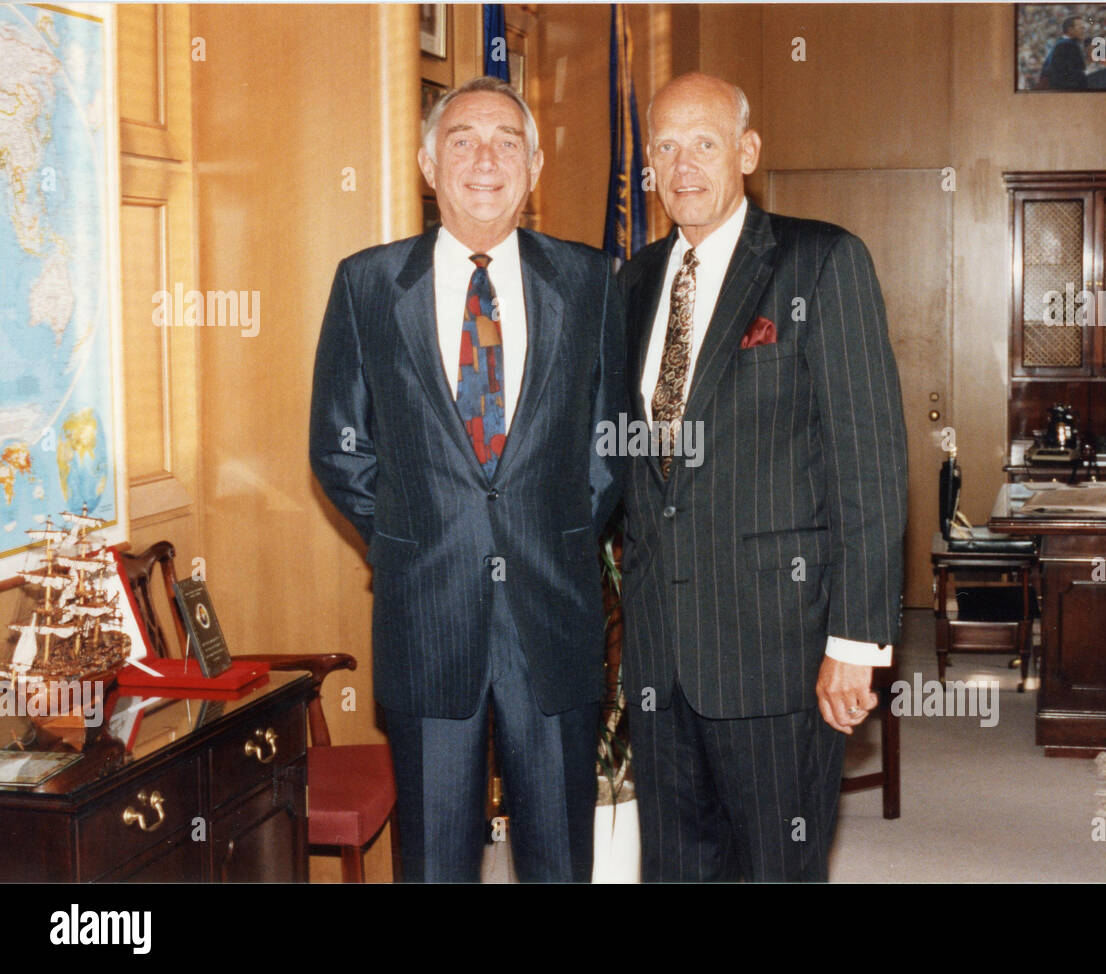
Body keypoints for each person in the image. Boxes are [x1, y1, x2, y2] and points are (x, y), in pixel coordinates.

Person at [309, 76, 625, 882]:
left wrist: (554, 535)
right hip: (428, 619)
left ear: (536, 164)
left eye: (506, 141)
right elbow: (339, 447)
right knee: (437, 862)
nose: (485, 159)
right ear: (426, 162)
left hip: (552, 616)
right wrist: (413, 539)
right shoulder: (368, 284)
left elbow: (613, 439)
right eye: (461, 140)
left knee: (558, 858)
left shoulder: (590, 281)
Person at [617, 72, 908, 882]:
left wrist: (855, 641)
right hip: (659, 655)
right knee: (674, 870)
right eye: (665, 148)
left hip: (777, 651)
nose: (683, 167)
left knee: (777, 868)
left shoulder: (820, 263)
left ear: (746, 150)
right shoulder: (634, 284)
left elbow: (871, 462)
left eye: (704, 143)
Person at [1040, 15, 1089, 90]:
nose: (1083, 31)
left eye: (1084, 28)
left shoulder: (1061, 44)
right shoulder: (1067, 46)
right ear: (1070, 30)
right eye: (1081, 28)